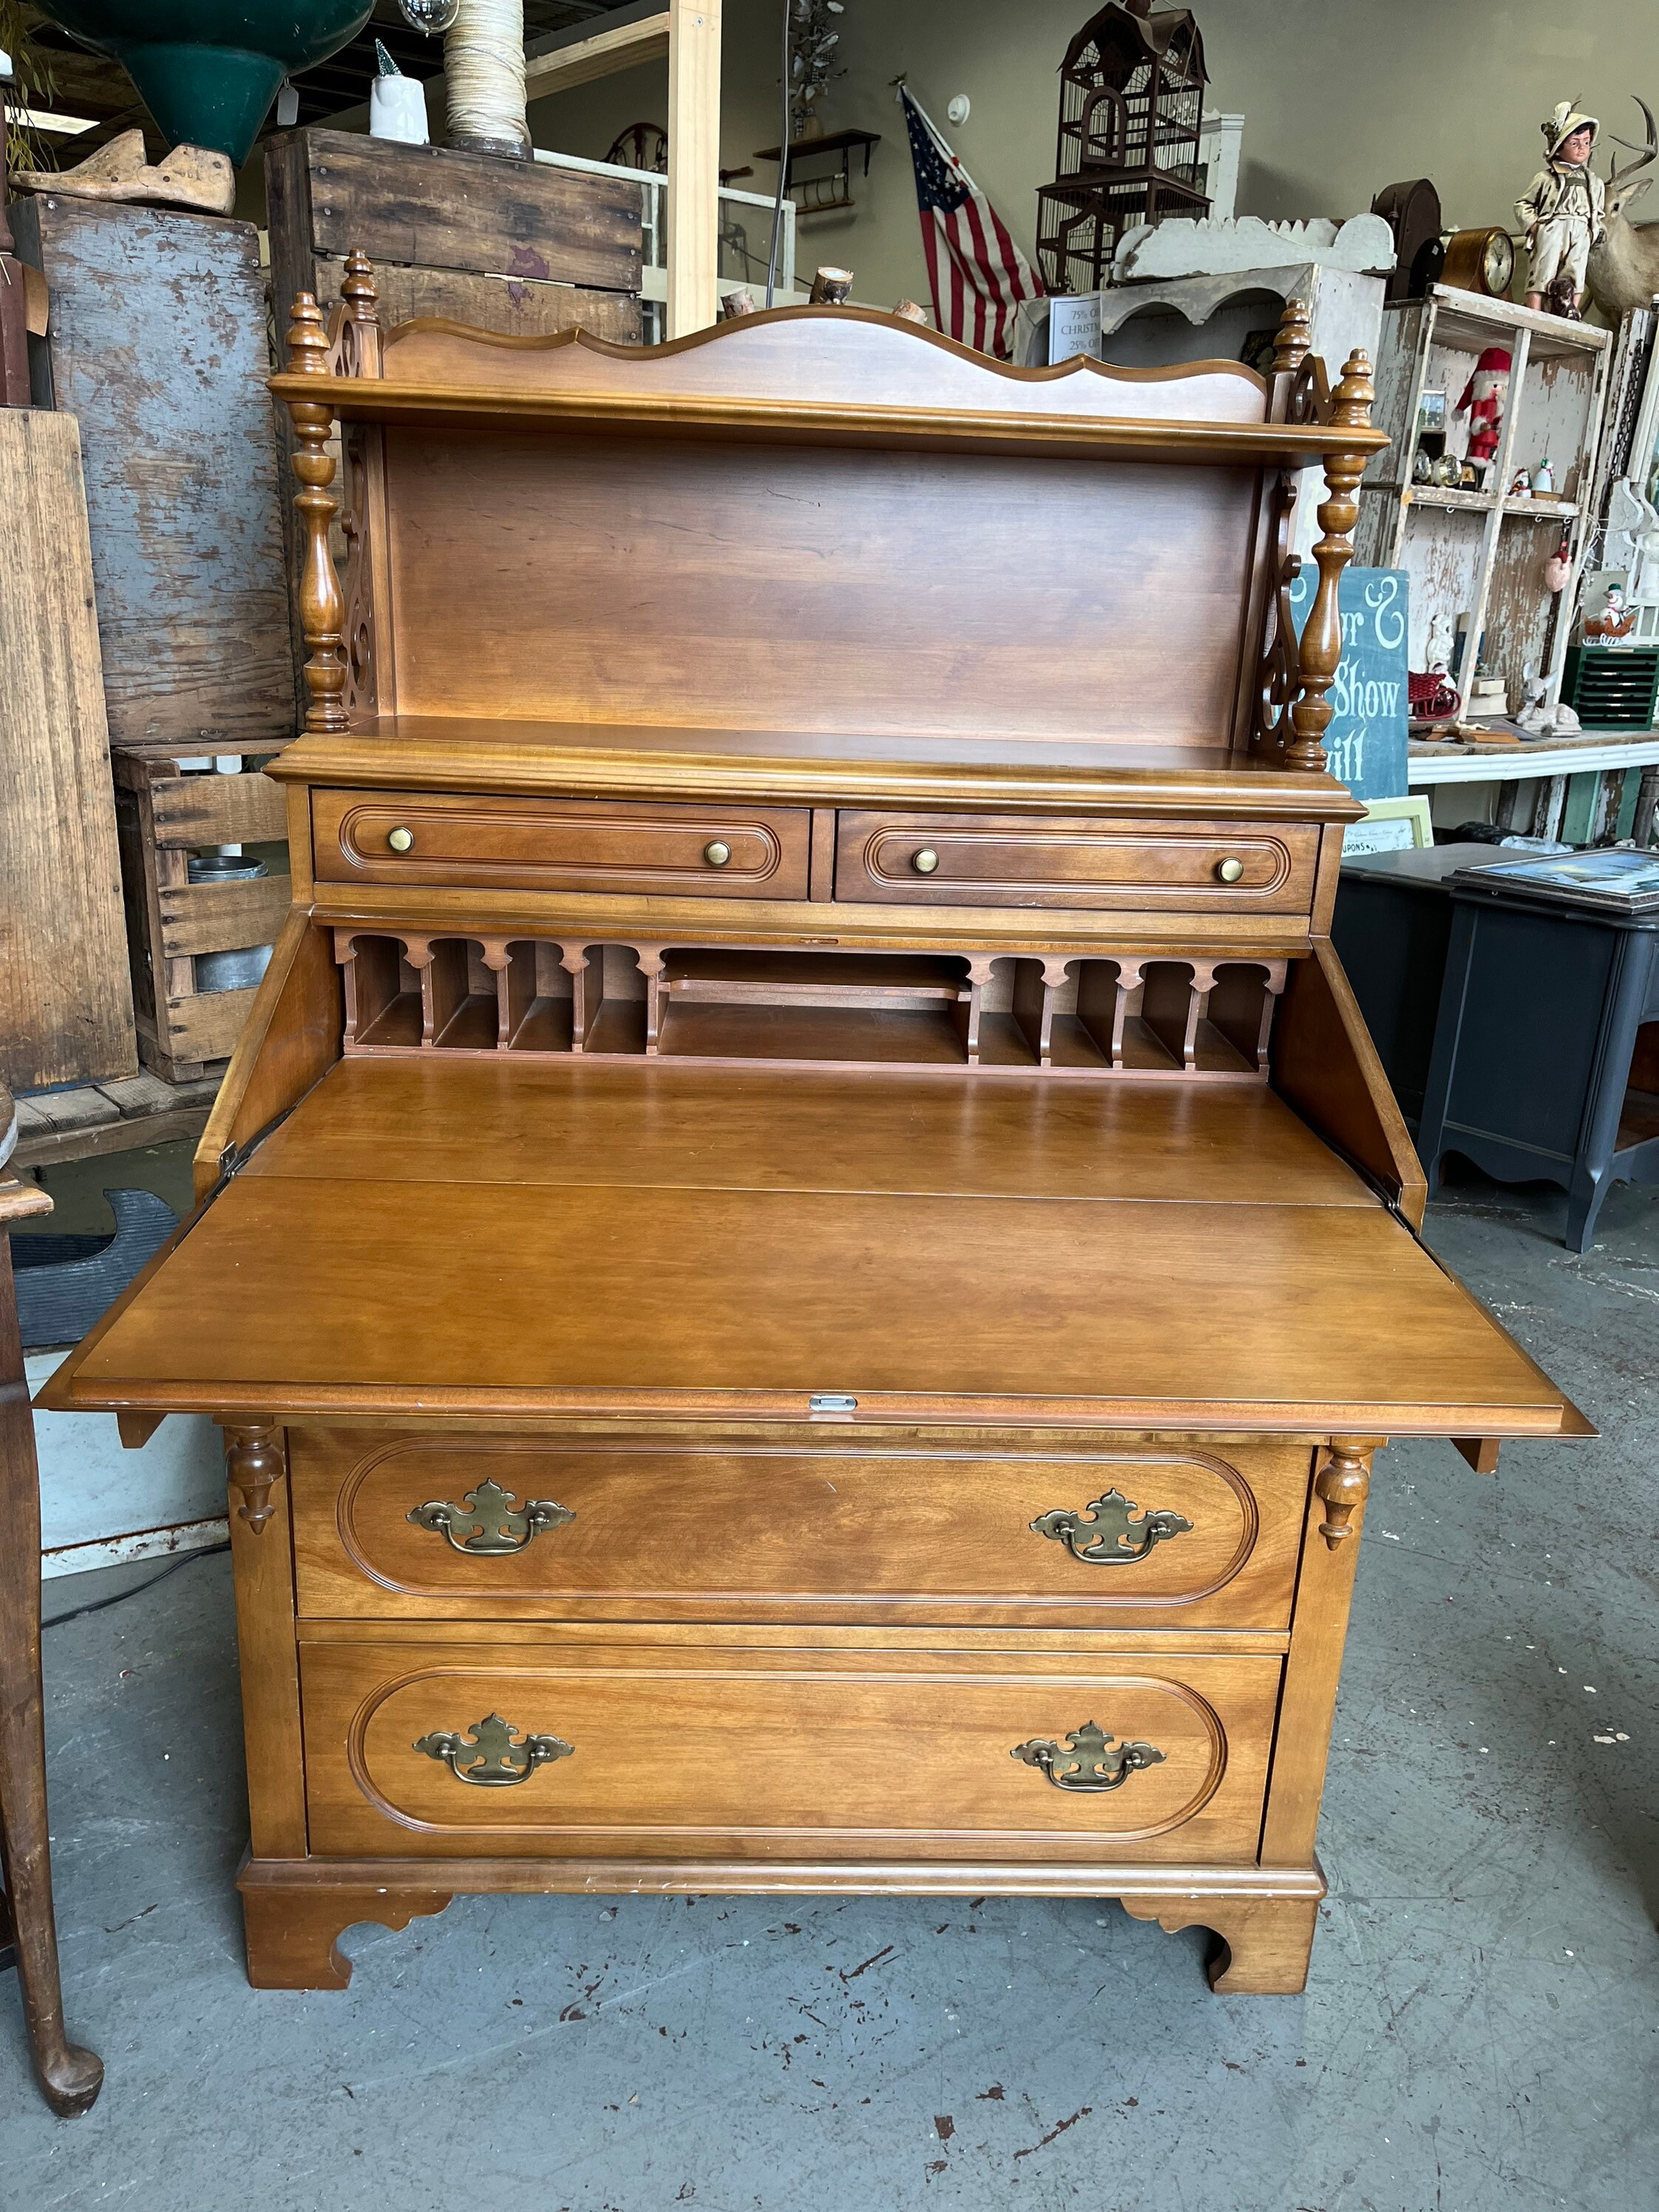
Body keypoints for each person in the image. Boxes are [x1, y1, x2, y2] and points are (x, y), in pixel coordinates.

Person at [1516, 102, 1606, 314]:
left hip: (1582, 230)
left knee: (1576, 271)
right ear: (1559, 147)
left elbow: (1598, 211)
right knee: (1543, 269)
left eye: (1586, 142)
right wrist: (1536, 227)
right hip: (1554, 227)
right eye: (1574, 143)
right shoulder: (1545, 178)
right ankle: (1535, 311)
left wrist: (1592, 232)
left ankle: (1571, 312)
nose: (1582, 148)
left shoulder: (1594, 182)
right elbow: (1523, 204)